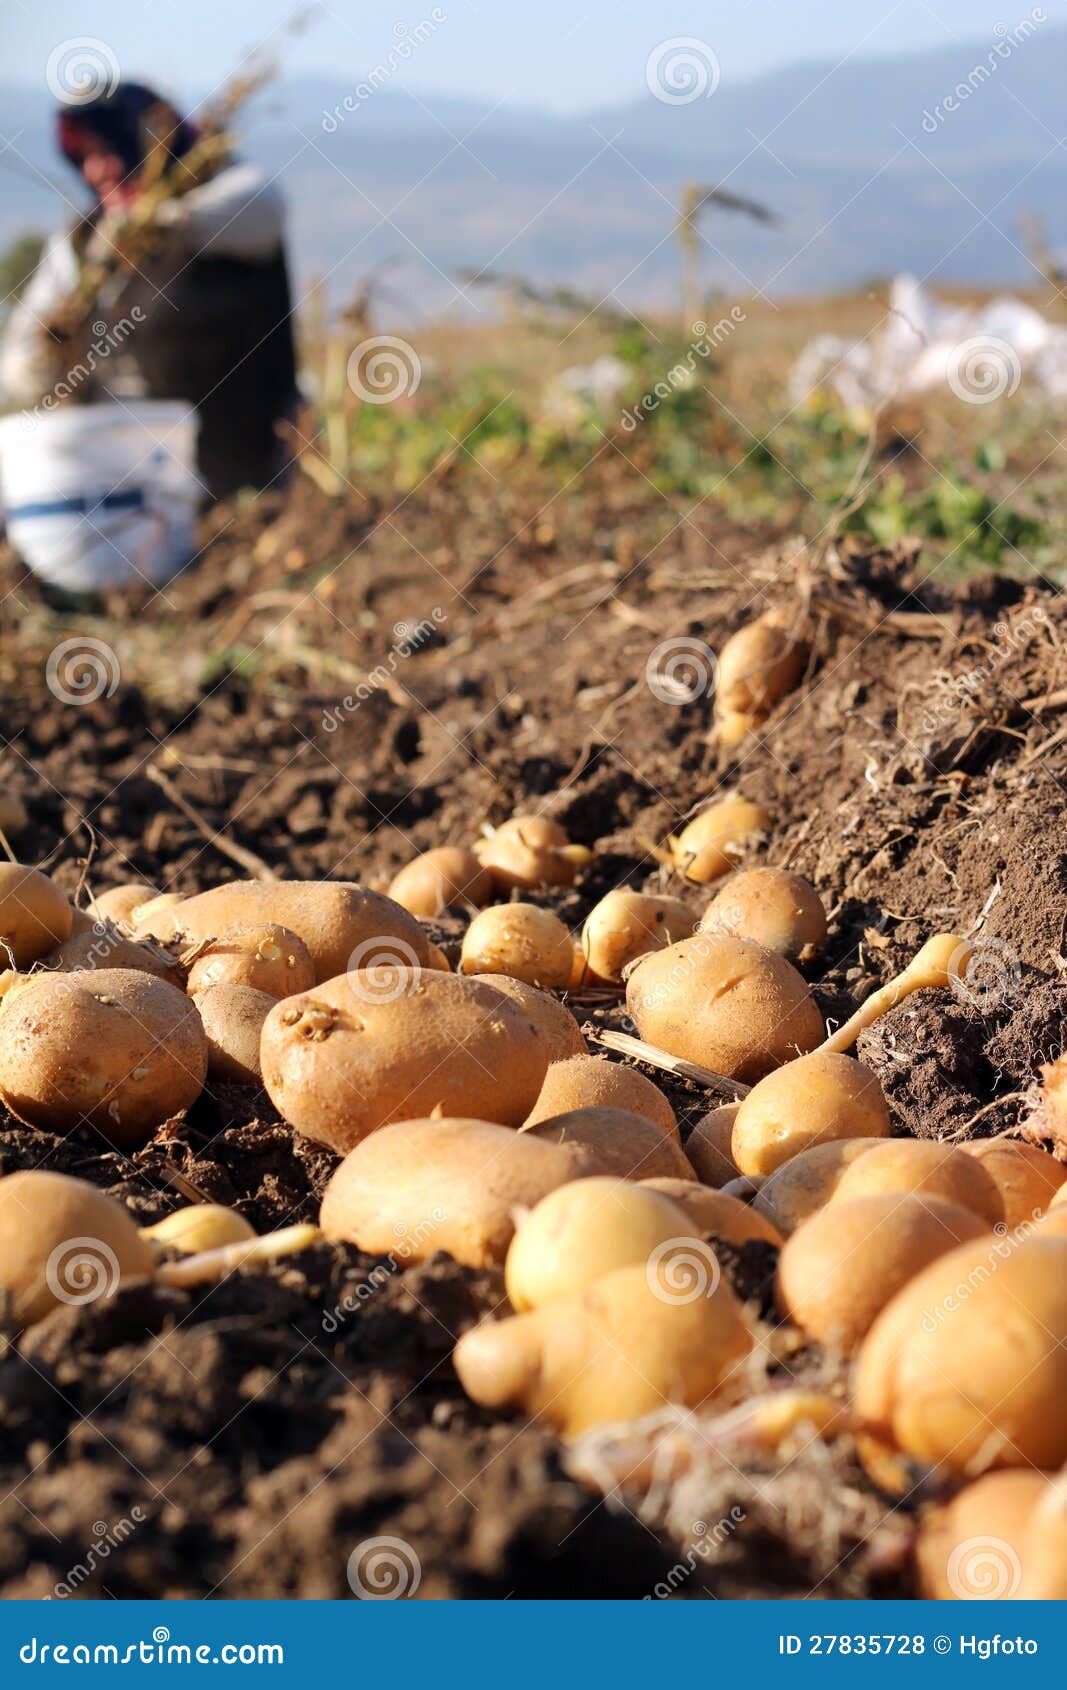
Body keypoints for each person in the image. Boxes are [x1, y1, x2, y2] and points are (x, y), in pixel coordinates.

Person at [0, 82, 299, 500]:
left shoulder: (226, 194)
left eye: (105, 151)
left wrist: (165, 221)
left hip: (241, 469)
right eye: (83, 158)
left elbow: (263, 208)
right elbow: (19, 359)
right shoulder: (82, 244)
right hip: (125, 477)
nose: (95, 171)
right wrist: (43, 356)